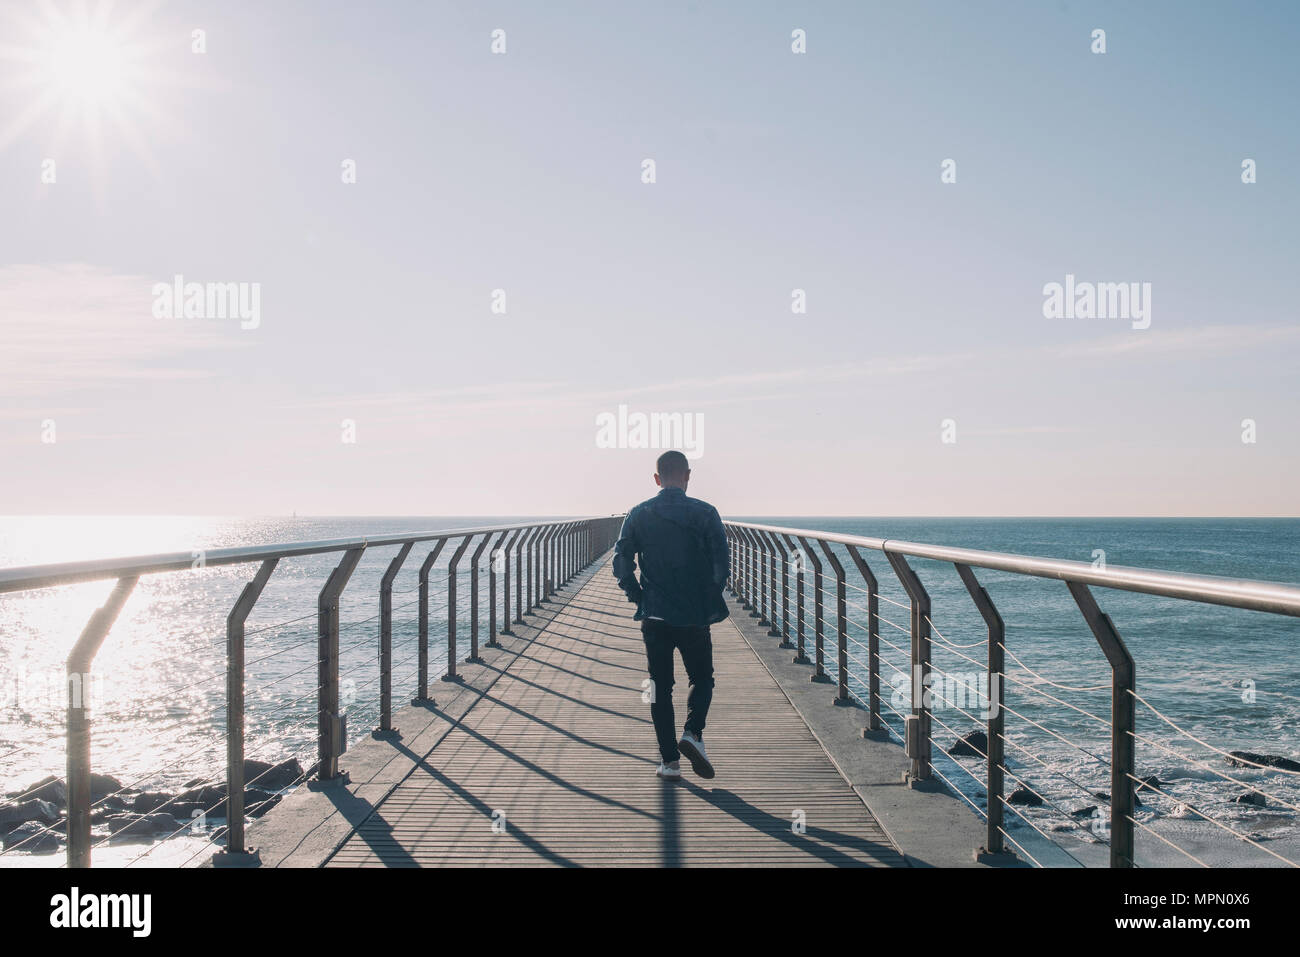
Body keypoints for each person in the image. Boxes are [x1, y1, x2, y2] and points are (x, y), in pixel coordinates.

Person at [612, 450, 729, 781]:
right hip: (694, 615)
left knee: (659, 687)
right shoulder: (706, 513)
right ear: (688, 476)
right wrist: (708, 598)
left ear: (657, 478)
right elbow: (722, 565)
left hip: (656, 616)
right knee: (702, 678)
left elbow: (621, 563)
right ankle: (692, 733)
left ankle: (670, 763)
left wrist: (640, 597)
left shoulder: (639, 513)